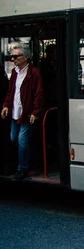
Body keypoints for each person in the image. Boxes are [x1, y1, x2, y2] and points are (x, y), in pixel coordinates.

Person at [1, 45, 45, 180]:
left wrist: (35, 112)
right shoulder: (14, 72)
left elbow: (39, 94)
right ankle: (31, 160)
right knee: (14, 138)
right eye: (11, 56)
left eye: (16, 56)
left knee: (22, 140)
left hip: (27, 112)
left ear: (26, 57)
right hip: (15, 112)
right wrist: (6, 106)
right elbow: (10, 92)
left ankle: (22, 168)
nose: (13, 59)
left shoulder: (34, 73)